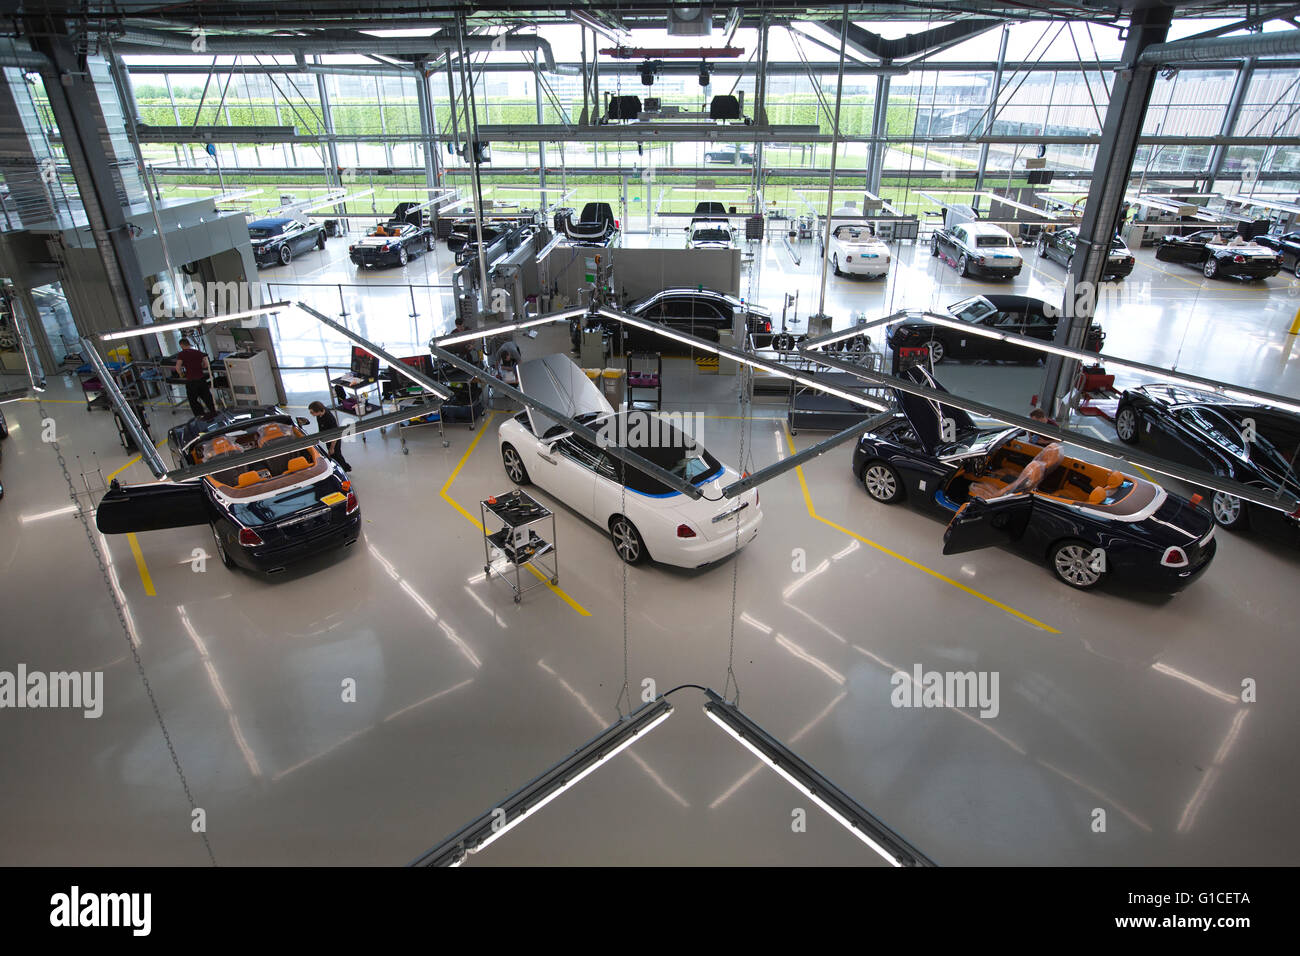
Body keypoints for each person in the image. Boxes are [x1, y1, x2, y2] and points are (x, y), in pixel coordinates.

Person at [174, 337, 215, 418]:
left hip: (191, 381)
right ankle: (213, 412)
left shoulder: (182, 354)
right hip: (201, 379)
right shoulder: (198, 352)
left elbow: (177, 367)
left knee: (193, 400)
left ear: (181, 345)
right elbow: (206, 365)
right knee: (207, 397)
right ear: (189, 344)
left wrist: (181, 374)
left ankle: (200, 415)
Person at [309, 400, 352, 471]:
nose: (311, 414)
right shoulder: (319, 415)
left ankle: (344, 469)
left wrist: (332, 448)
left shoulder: (329, 418)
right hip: (327, 438)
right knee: (334, 455)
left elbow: (335, 434)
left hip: (334, 440)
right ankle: (346, 467)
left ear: (318, 411)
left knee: (336, 455)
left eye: (312, 412)